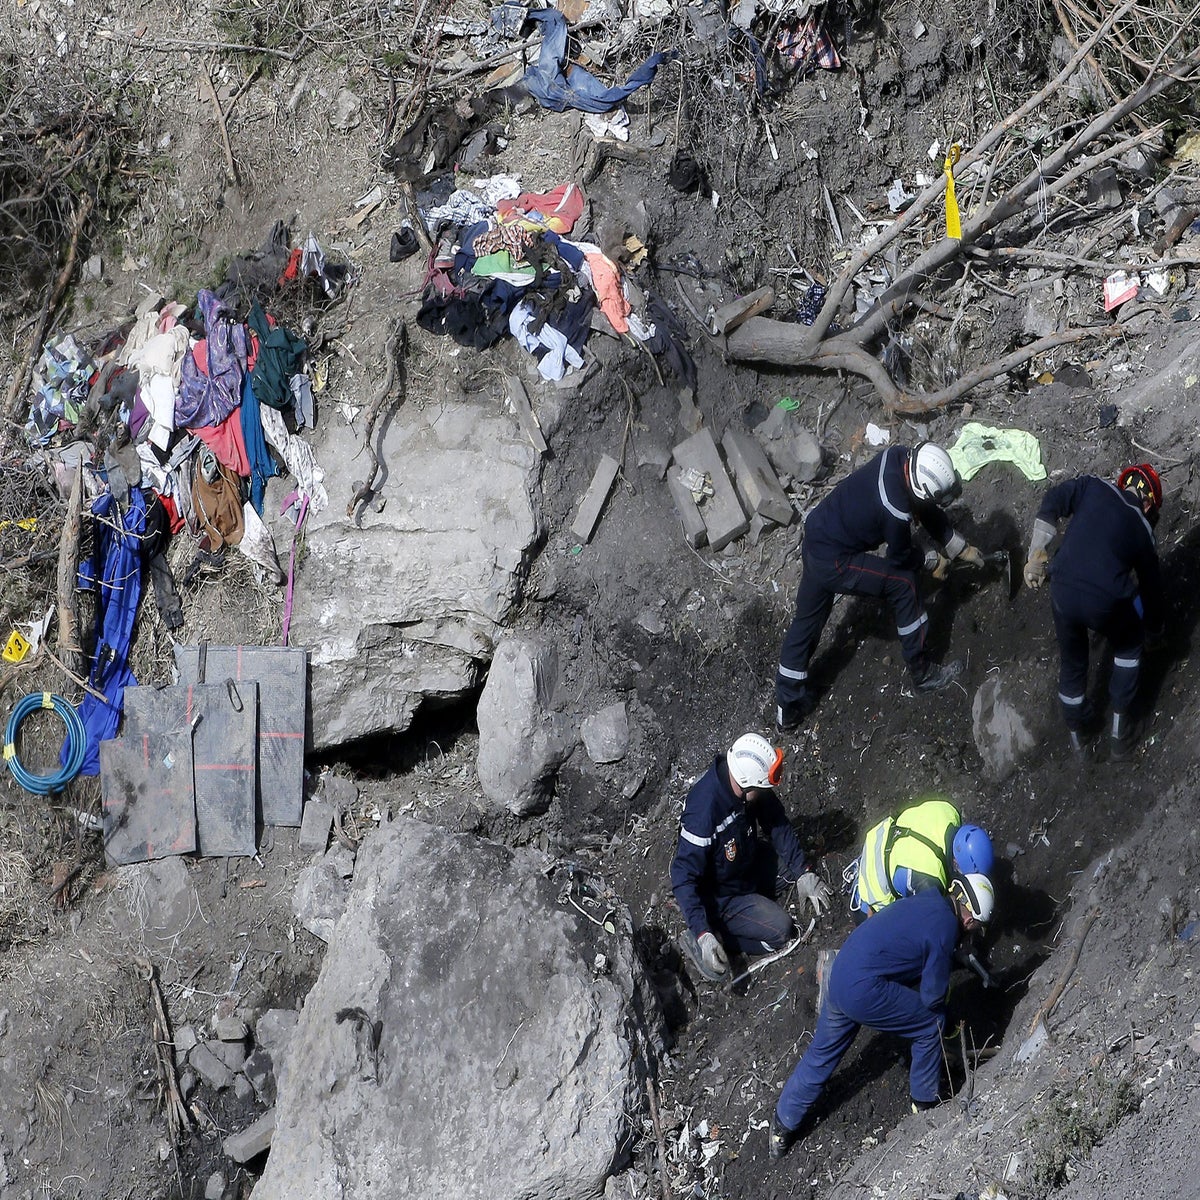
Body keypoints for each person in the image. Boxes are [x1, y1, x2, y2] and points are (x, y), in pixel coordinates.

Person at [770, 872, 995, 1159]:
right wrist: (949, 1024)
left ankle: (781, 1124)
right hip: (862, 988)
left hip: (842, 971)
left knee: (821, 1053)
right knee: (930, 1024)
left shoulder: (929, 899)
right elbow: (932, 997)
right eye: (977, 928)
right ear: (969, 920)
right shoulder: (945, 930)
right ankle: (924, 1107)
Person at [776, 443, 985, 732]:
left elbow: (924, 505)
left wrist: (957, 545)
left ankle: (787, 709)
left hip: (818, 535)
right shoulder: (895, 508)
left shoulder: (899, 456)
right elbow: (899, 557)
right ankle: (922, 673)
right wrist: (931, 558)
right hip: (834, 559)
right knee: (903, 584)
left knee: (806, 622)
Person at [1023, 463, 1164, 759]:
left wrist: (1037, 552)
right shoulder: (1141, 527)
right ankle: (1119, 734)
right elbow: (1151, 588)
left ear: (1123, 481)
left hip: (1062, 587)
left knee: (1073, 661)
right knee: (1128, 647)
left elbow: (1053, 501)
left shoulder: (1092, 486)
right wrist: (1153, 630)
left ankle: (1078, 740)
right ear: (1149, 502)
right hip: (1106, 598)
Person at [670, 733, 832, 982]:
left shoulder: (749, 786)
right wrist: (703, 933)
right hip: (723, 898)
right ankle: (717, 937)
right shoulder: (703, 813)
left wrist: (803, 871)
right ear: (746, 785)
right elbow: (683, 877)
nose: (766, 792)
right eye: (762, 788)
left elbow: (776, 823)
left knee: (793, 870)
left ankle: (754, 904)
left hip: (747, 864)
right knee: (782, 932)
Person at [849, 795, 994, 922]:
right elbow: (921, 925)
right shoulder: (929, 878)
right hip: (867, 902)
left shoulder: (949, 812)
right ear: (956, 863)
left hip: (877, 846)